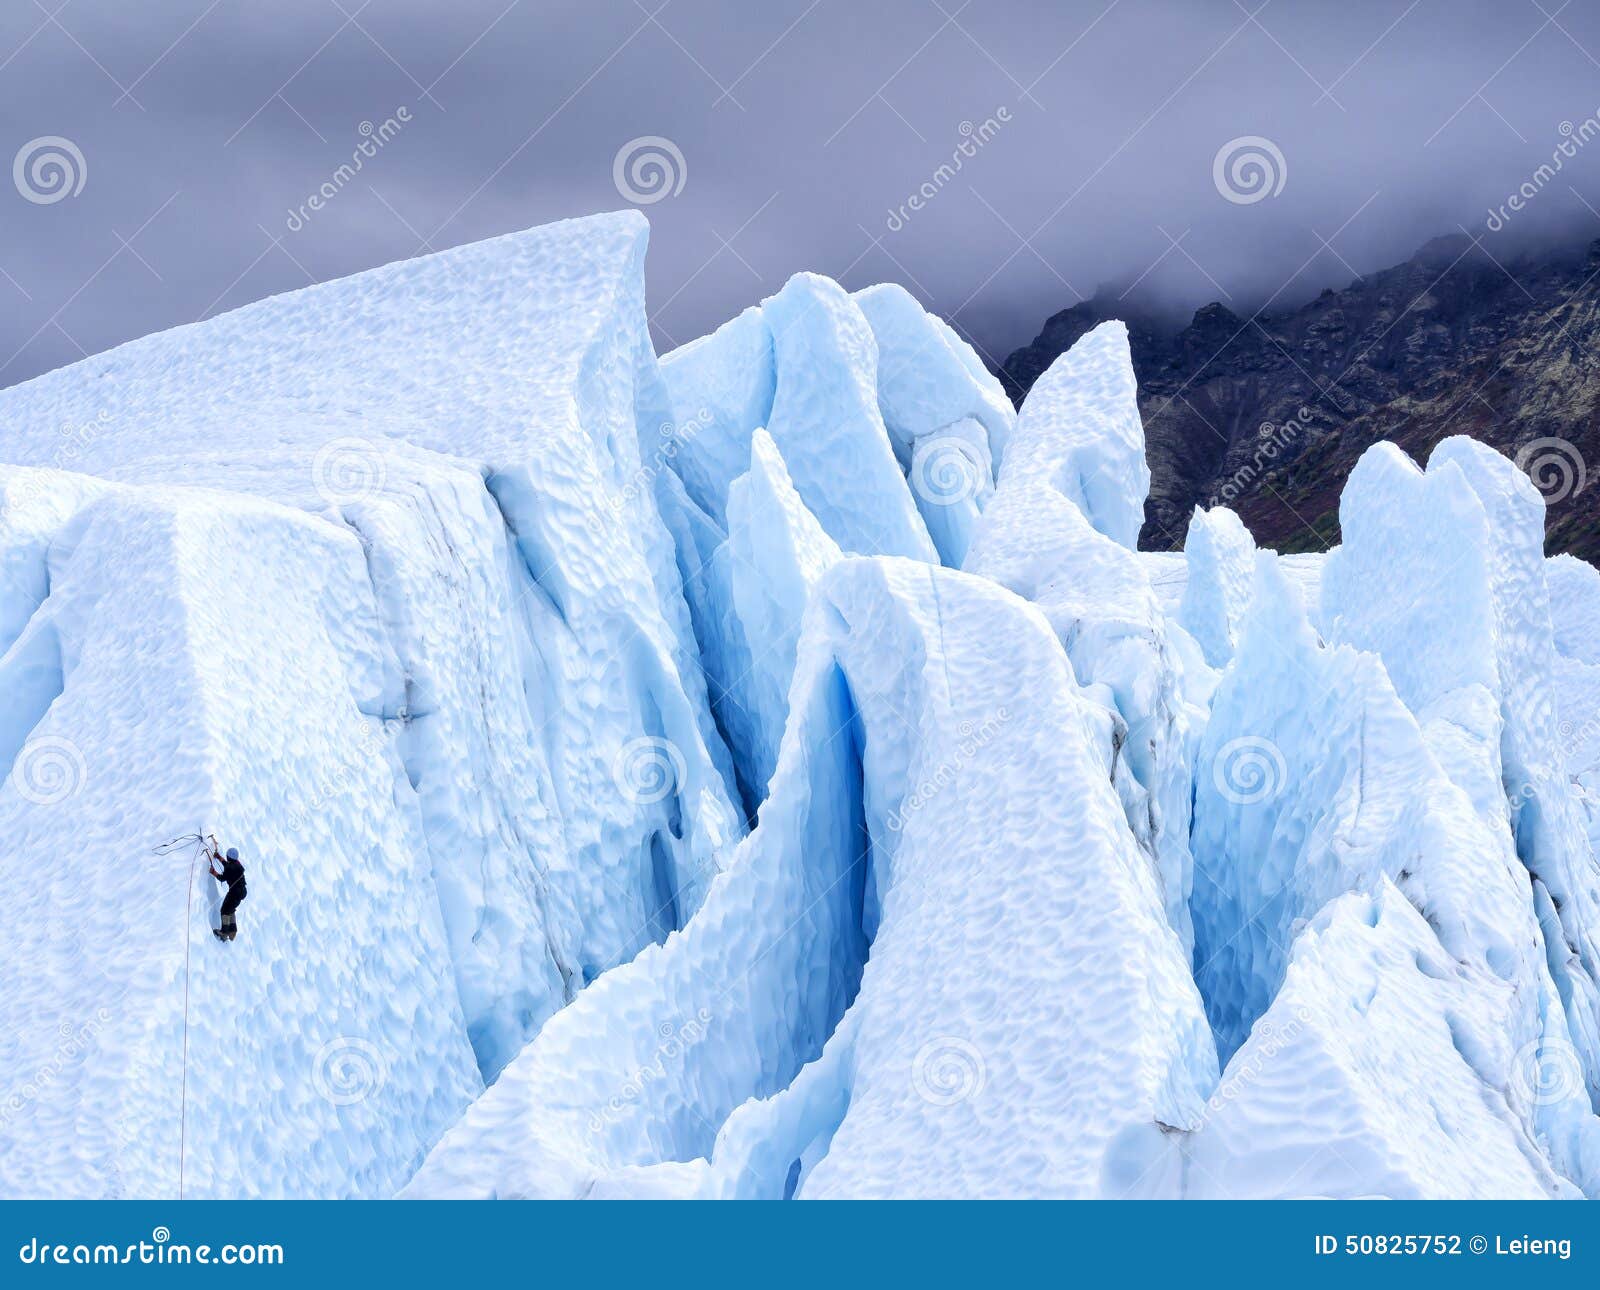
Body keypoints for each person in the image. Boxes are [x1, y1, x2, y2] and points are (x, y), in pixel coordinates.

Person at [208, 841, 247, 942]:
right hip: (241, 892)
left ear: (229, 857)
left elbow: (222, 878)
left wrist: (213, 872)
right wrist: (219, 858)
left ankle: (224, 933)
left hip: (234, 893)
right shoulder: (237, 864)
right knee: (231, 909)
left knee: (225, 910)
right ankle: (233, 931)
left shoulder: (230, 867)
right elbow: (228, 865)